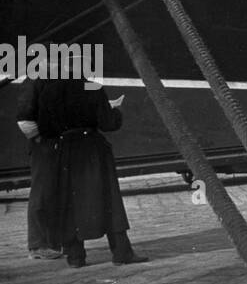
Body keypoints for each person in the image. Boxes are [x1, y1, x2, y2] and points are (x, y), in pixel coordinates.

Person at [17, 79, 148, 268]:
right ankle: (121, 252)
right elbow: (108, 123)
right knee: (110, 201)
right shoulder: (92, 86)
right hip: (92, 150)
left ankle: (75, 257)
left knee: (69, 202)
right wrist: (116, 112)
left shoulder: (48, 88)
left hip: (62, 151)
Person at [15, 78, 61, 259]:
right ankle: (38, 245)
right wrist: (41, 137)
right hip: (44, 144)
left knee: (52, 192)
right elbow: (24, 119)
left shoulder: (51, 79)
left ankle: (50, 242)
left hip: (54, 141)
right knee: (42, 192)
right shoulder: (34, 81)